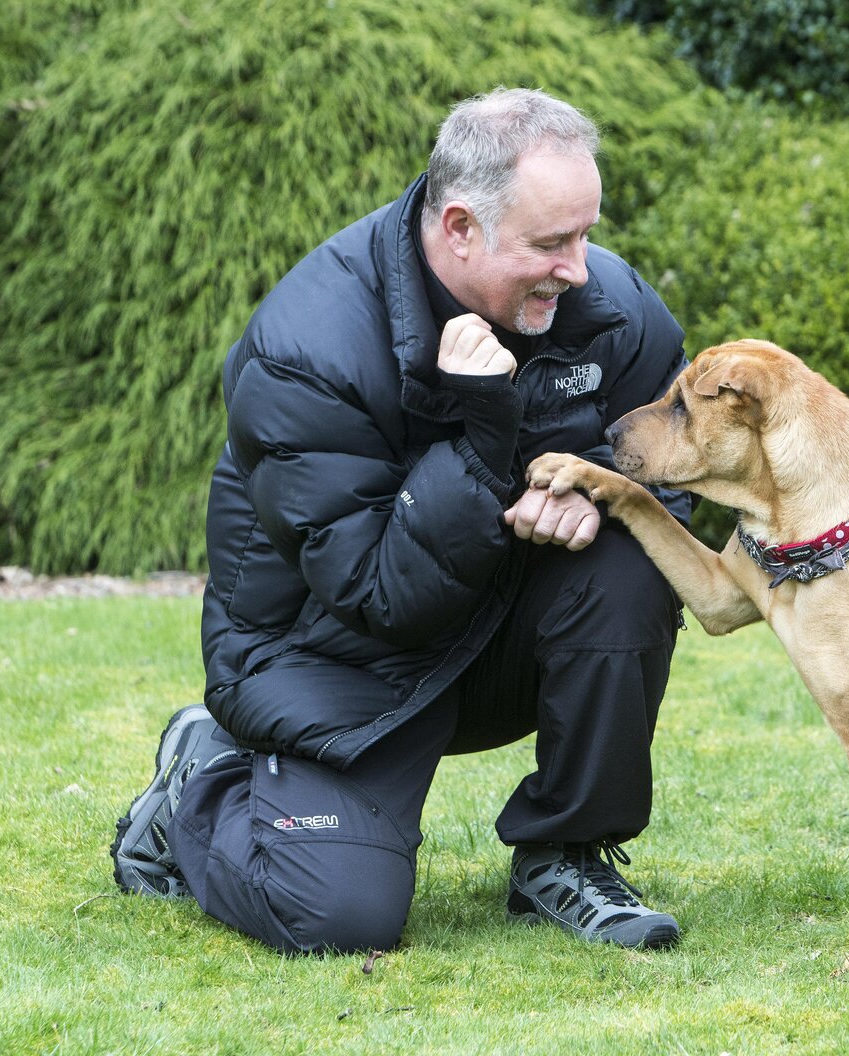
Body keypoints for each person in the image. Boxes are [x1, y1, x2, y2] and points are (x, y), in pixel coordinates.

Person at [109, 87, 692, 955]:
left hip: (490, 622)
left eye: (585, 233)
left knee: (636, 551)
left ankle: (565, 854)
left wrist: (598, 488)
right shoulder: (306, 352)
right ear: (459, 226)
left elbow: (675, 477)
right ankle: (197, 784)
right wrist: (486, 430)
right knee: (341, 915)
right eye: (549, 243)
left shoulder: (608, 306)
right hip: (330, 651)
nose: (578, 268)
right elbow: (378, 595)